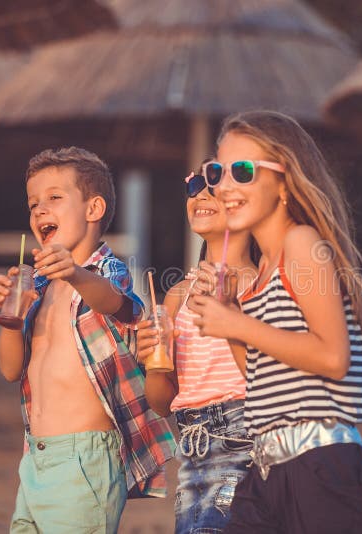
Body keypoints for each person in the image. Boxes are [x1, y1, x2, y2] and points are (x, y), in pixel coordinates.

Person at [187, 111, 362, 533]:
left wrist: (237, 325)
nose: (223, 186)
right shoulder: (262, 273)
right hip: (266, 474)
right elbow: (257, 377)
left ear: (285, 180)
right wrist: (232, 316)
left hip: (322, 469)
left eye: (242, 171)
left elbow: (333, 358)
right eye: (217, 171)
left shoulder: (302, 243)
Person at [0, 147, 174, 534]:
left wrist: (75, 274)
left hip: (85, 459)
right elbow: (10, 370)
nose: (40, 210)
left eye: (54, 198)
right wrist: (11, 319)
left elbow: (116, 304)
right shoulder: (38, 289)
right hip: (35, 457)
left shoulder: (104, 272)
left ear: (93, 209)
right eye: (33, 202)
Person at [134, 169, 258, 533]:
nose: (200, 192)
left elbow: (269, 382)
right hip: (191, 450)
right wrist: (154, 363)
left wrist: (231, 310)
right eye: (192, 184)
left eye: (214, 182)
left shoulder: (261, 284)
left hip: (244, 440)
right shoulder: (177, 297)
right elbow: (163, 402)